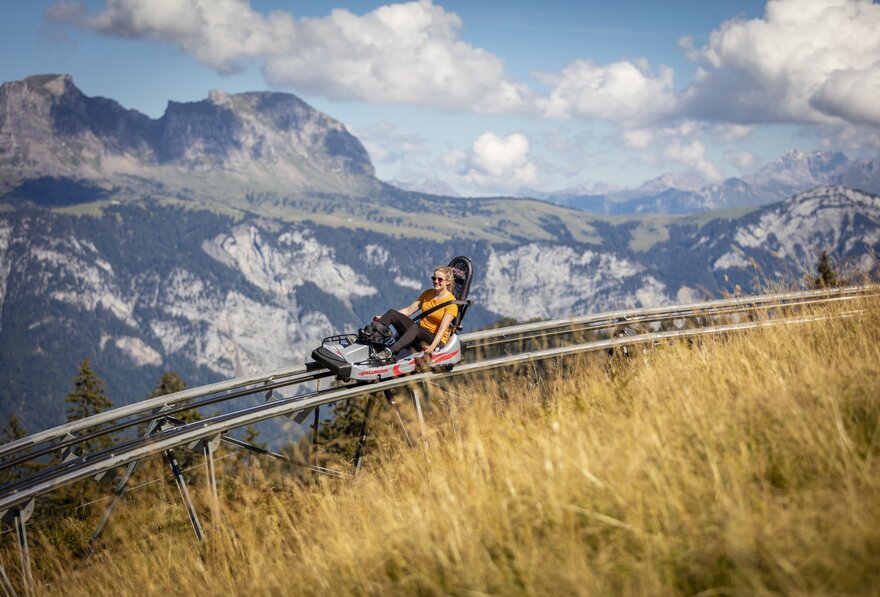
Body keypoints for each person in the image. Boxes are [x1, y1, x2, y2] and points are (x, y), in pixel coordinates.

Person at [372, 265, 459, 361]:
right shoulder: (428, 293)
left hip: (434, 340)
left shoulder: (451, 304)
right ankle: (372, 339)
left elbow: (442, 330)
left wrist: (432, 347)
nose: (436, 281)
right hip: (418, 332)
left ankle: (389, 353)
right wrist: (384, 317)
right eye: (434, 278)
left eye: (440, 279)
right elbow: (408, 310)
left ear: (448, 282)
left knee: (416, 328)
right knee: (392, 313)